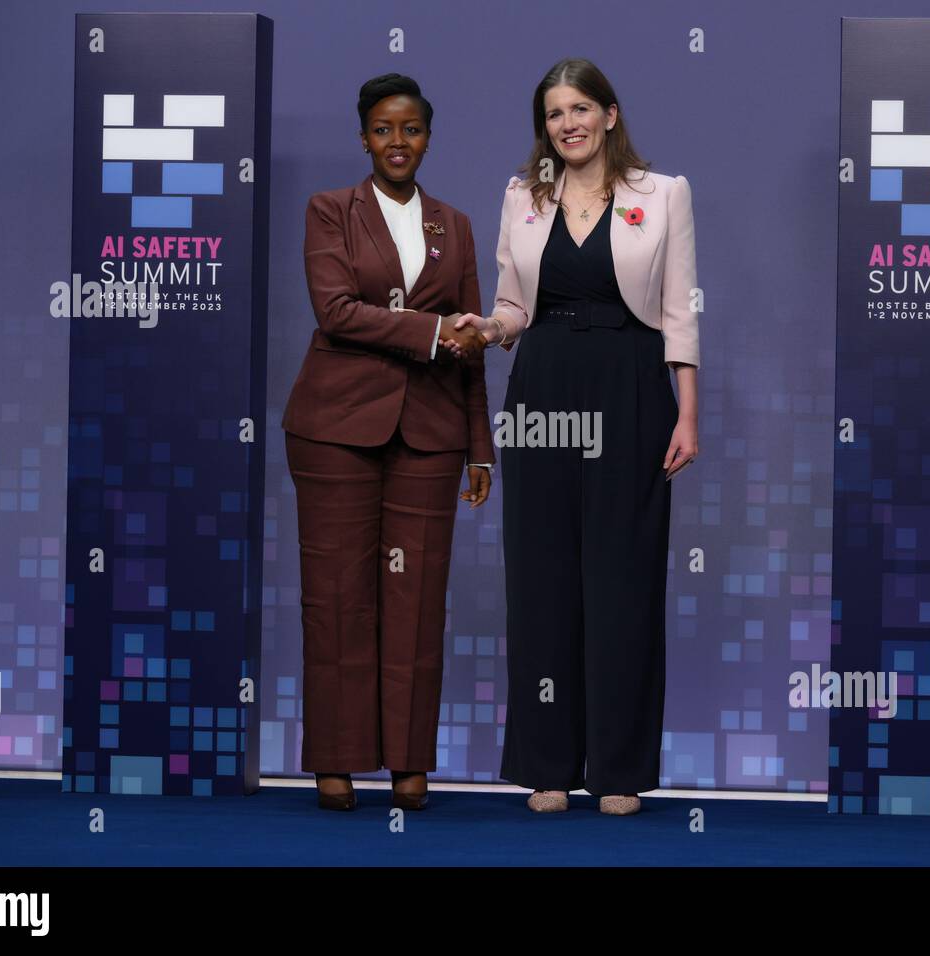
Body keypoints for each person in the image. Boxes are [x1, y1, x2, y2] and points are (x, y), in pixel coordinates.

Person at [452, 58, 700, 815]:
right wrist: (488, 327)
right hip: (544, 390)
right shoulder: (521, 197)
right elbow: (511, 302)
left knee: (622, 578)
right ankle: (548, 765)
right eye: (555, 113)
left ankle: (618, 770)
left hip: (630, 387)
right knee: (542, 575)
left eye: (581, 108)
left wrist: (688, 413)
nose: (568, 123)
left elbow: (681, 311)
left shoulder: (663, 195)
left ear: (611, 115)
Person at [281, 73, 493, 812]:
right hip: (336, 430)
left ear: (427, 136)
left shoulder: (456, 225)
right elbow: (337, 312)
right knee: (338, 598)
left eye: (410, 129)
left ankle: (409, 763)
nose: (397, 142)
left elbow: (473, 343)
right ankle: (335, 761)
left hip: (430, 435)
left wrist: (480, 445)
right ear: (363, 137)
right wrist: (433, 332)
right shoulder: (329, 212)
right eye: (382, 129)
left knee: (417, 601)